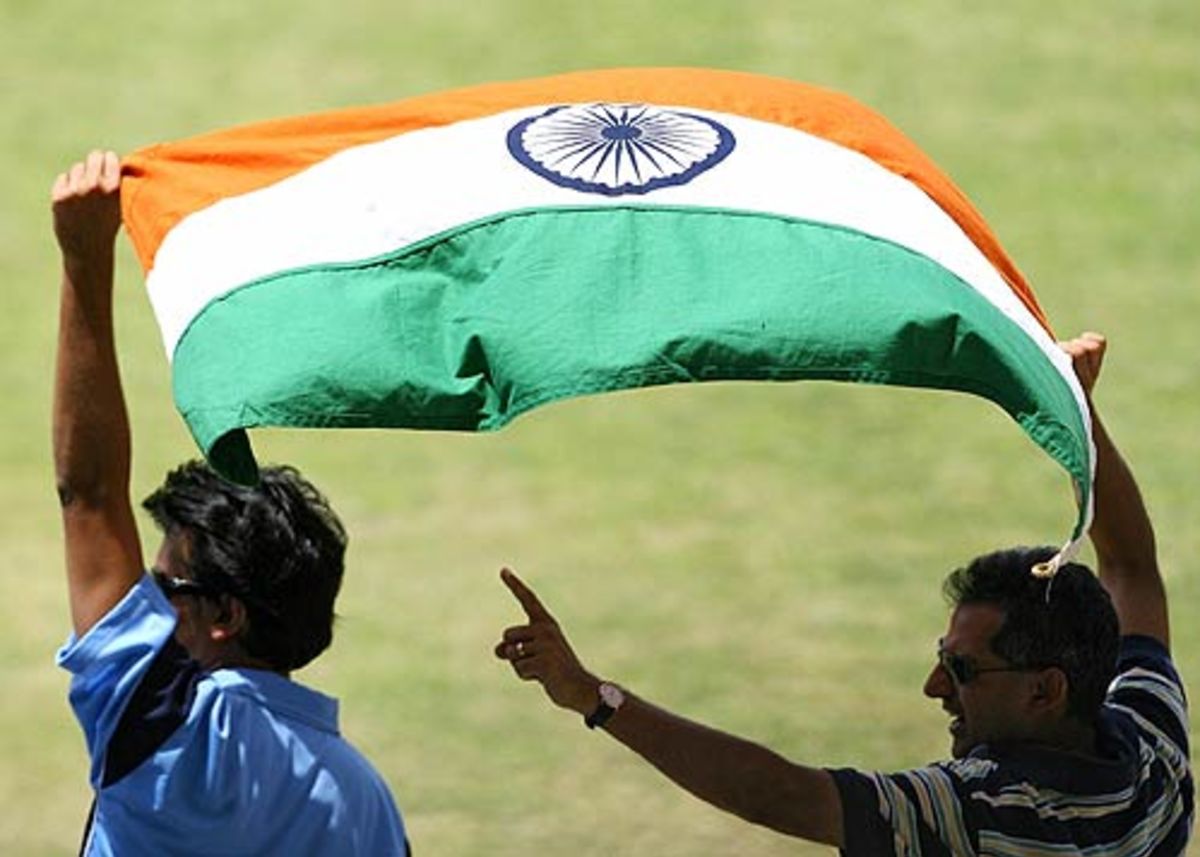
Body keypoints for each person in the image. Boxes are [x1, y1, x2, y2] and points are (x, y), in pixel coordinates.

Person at [495, 332, 1192, 854]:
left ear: (1045, 689)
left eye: (962, 669)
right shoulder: (1153, 748)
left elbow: (778, 791)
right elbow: (1130, 564)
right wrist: (1079, 413)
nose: (932, 686)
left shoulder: (983, 814)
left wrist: (594, 697)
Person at [52, 150, 410, 855]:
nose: (145, 608)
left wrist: (84, 257)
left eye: (164, 589)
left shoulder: (160, 719)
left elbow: (88, 494)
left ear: (225, 614)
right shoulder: (366, 798)